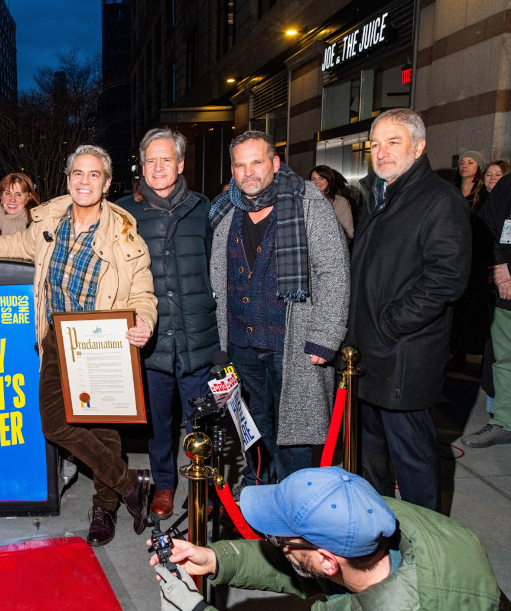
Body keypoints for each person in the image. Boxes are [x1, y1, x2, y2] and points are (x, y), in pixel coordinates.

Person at [0, 145, 157, 546]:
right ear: (68, 179)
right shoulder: (50, 221)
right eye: (77, 174)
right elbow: (19, 246)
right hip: (55, 336)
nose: (85, 181)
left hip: (102, 342)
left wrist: (145, 324)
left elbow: (144, 295)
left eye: (94, 174)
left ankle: (104, 506)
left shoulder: (125, 236)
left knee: (104, 430)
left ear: (106, 181)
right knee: (54, 423)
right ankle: (130, 483)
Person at [149, 467, 500, 611]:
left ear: (329, 561)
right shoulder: (380, 516)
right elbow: (298, 560)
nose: (277, 543)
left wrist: (193, 608)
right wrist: (215, 559)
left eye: (282, 539)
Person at [209, 131, 349, 490]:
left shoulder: (307, 202)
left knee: (295, 435)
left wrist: (325, 337)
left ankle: (297, 504)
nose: (248, 172)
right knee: (254, 426)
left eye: (256, 162)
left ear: (275, 163)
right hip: (242, 343)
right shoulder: (226, 211)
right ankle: (263, 496)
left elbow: (333, 269)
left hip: (293, 341)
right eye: (240, 165)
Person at [347, 109, 471, 511]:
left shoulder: (439, 199)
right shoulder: (379, 194)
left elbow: (446, 279)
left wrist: (389, 325)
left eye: (393, 142)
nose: (381, 153)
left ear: (418, 147)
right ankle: (384, 540)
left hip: (403, 354)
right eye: (375, 144)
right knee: (372, 461)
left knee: (413, 463)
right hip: (368, 354)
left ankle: (430, 552)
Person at [117, 128, 218, 519]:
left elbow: (214, 267)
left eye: (166, 160)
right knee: (159, 422)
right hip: (152, 336)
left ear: (180, 163)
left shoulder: (202, 206)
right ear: (142, 166)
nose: (158, 168)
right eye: (150, 161)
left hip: (197, 334)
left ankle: (203, 486)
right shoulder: (125, 210)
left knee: (202, 419)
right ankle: (164, 485)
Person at [465, 173, 511, 447]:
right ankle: (505, 422)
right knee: (504, 360)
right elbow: (484, 227)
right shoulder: (507, 185)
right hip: (505, 291)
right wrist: (501, 268)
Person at [0, 172, 40, 237]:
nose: (12, 199)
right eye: (7, 193)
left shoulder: (38, 227)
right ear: (1, 197)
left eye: (18, 194)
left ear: (28, 198)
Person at [310, 165, 354, 241]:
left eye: (321, 178)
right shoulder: (307, 200)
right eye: (313, 179)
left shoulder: (339, 201)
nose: (317, 182)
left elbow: (349, 233)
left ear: (329, 180)